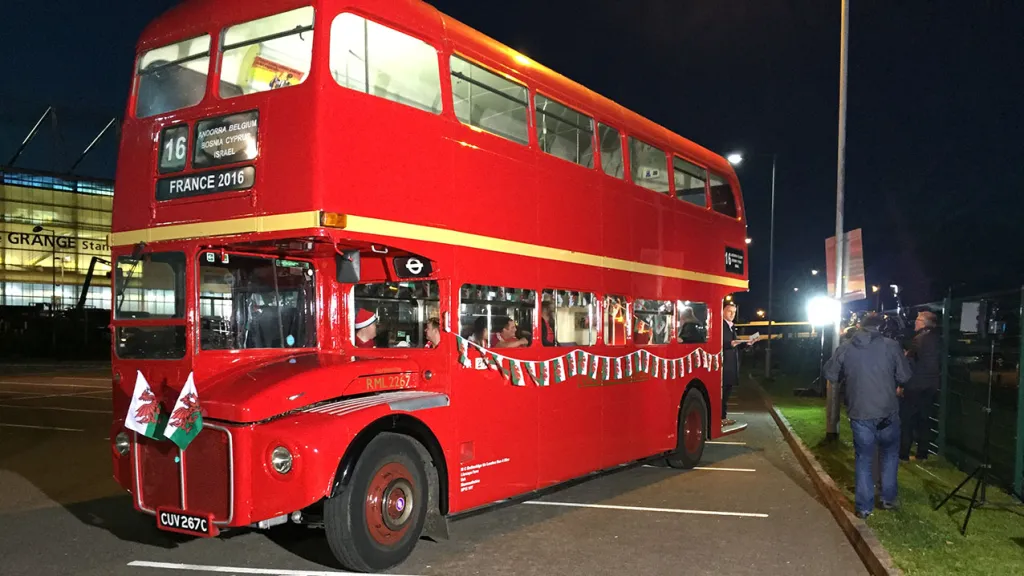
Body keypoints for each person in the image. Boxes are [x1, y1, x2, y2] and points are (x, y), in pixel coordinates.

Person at [824, 312, 912, 518]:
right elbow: (905, 376)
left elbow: (830, 374)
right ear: (881, 328)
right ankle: (888, 499)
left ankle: (864, 507)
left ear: (861, 327)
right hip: (888, 410)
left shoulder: (846, 346)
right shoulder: (891, 346)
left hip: (860, 410)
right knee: (889, 455)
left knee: (863, 458)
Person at [899, 311, 941, 461]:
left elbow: (909, 363)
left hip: (915, 385)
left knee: (907, 420)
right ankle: (923, 453)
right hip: (931, 385)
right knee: (924, 419)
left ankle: (903, 452)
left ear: (924, 323)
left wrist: (901, 384)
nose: (915, 322)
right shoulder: (936, 339)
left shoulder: (918, 340)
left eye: (918, 319)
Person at [722, 301, 759, 426]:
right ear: (722, 311)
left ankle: (722, 417)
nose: (732, 314)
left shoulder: (731, 326)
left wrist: (746, 344)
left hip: (731, 365)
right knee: (723, 393)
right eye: (729, 311)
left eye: (734, 312)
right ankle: (721, 418)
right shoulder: (721, 326)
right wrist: (730, 344)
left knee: (727, 392)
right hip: (724, 365)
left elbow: (735, 345)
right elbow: (719, 343)